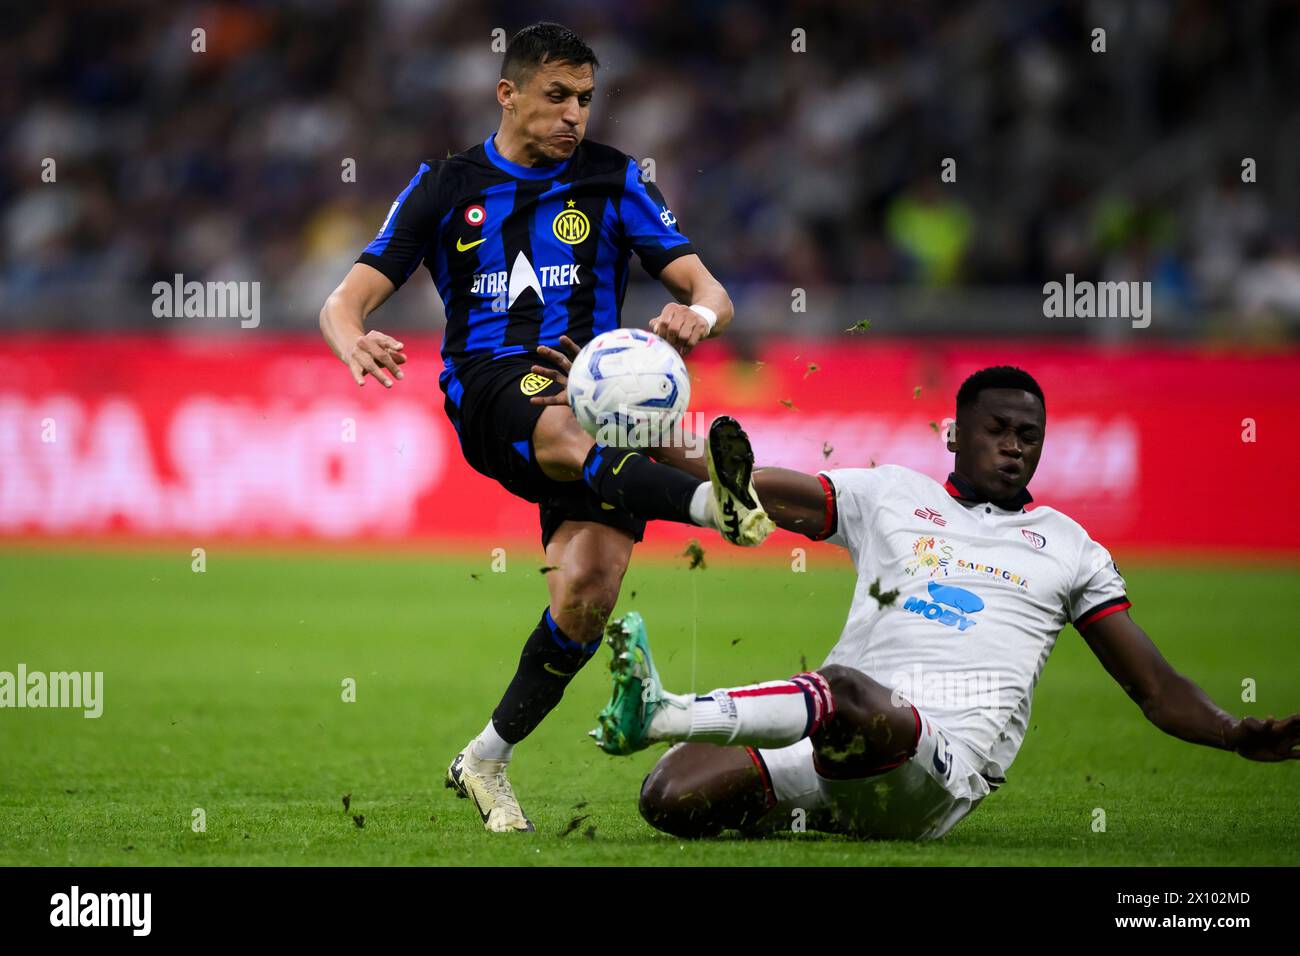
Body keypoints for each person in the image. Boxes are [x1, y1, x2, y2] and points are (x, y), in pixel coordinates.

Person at [318, 22, 771, 832]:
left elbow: (712, 289)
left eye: (586, 100)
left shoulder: (614, 178)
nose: (574, 116)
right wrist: (356, 340)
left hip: (597, 388)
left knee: (587, 597)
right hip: (490, 387)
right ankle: (711, 505)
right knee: (589, 437)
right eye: (557, 97)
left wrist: (696, 315)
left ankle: (485, 758)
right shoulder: (446, 184)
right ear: (509, 94)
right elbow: (343, 301)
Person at [593, 367, 1300, 839]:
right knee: (670, 796)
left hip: (937, 764)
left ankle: (663, 711)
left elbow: (1156, 687)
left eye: (1029, 436)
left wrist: (1232, 731)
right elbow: (755, 487)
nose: (1014, 448)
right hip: (840, 743)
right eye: (997, 431)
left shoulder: (1070, 546)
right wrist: (642, 430)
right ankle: (828, 812)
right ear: (955, 434)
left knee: (843, 687)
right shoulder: (891, 494)